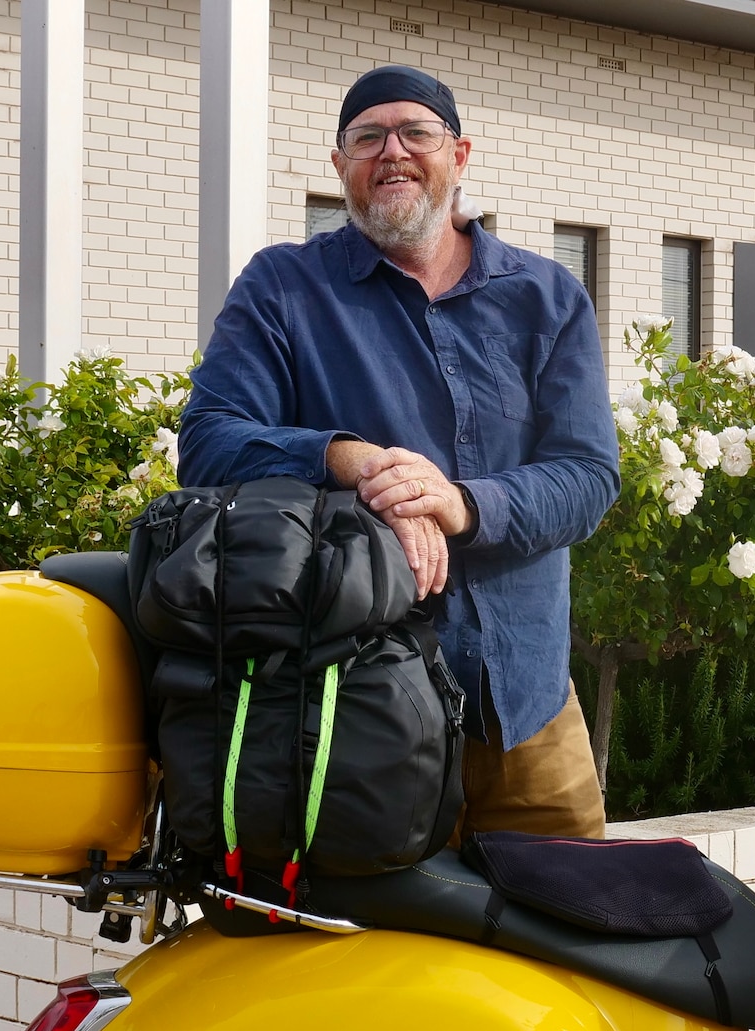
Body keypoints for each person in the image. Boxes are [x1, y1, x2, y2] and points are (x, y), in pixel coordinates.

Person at [177, 65, 619, 838]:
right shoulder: (285, 289)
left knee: (571, 930)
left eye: (416, 132)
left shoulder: (548, 297)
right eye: (367, 136)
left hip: (528, 703)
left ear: (459, 154)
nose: (393, 152)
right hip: (359, 711)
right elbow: (211, 442)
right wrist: (353, 464)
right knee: (386, 952)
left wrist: (464, 503)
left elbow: (587, 475)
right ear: (339, 161)